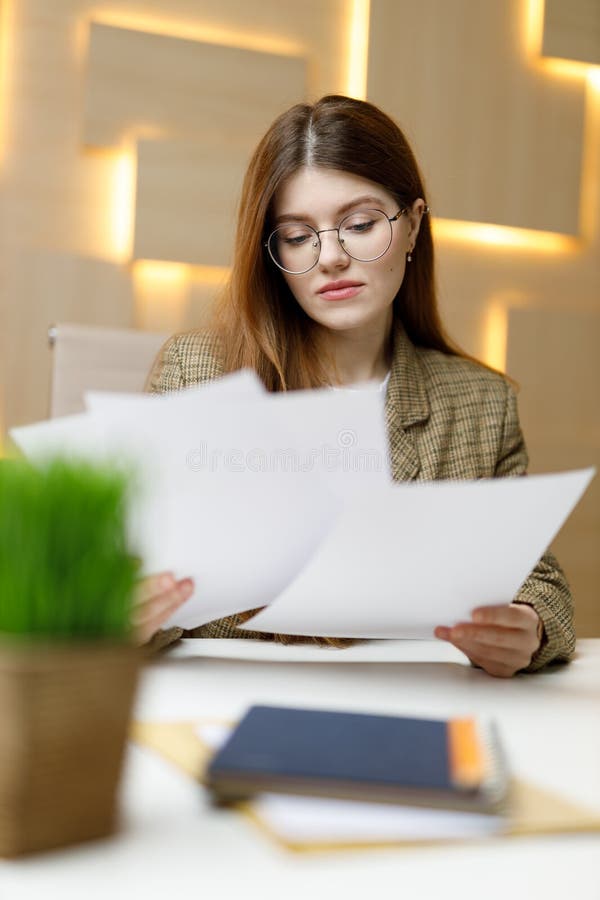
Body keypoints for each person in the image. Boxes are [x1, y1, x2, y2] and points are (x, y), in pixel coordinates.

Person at [138, 94, 574, 677]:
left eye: (360, 225)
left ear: (413, 223)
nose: (330, 259)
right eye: (297, 237)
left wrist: (530, 625)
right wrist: (118, 610)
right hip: (226, 702)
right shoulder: (197, 375)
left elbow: (538, 580)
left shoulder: (478, 403)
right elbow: (128, 573)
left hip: (405, 708)